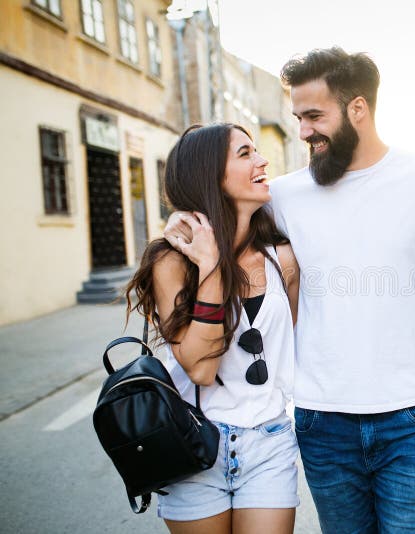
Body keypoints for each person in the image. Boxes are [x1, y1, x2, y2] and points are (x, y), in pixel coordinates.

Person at [165, 47, 415, 533]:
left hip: (414, 422)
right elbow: (223, 221)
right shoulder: (283, 196)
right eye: (297, 117)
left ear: (357, 108)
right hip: (323, 423)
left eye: (314, 116)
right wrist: (182, 218)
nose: (303, 132)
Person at [127, 123, 300, 534]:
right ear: (210, 176)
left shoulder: (284, 259)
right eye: (245, 154)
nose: (262, 161)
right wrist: (209, 265)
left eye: (256, 151)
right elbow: (200, 369)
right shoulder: (172, 263)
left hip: (269, 442)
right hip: (193, 443)